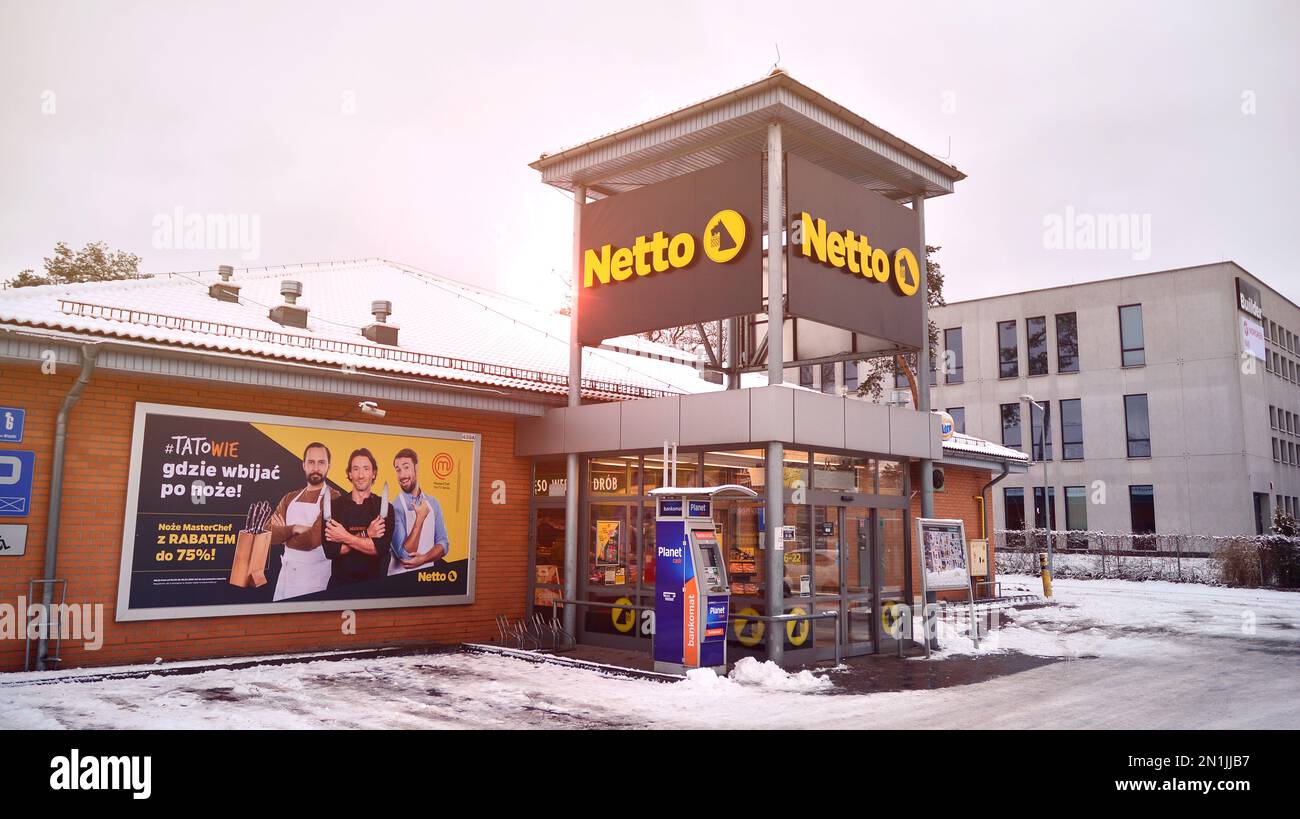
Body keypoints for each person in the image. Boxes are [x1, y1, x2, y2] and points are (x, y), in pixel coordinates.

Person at [267, 442, 340, 601]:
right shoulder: (290, 498)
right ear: (303, 465)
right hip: (285, 575)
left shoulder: (333, 498)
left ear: (328, 466)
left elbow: (313, 539)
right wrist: (294, 529)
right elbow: (266, 533)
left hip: (313, 579)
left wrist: (283, 537)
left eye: (321, 462)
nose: (316, 467)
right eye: (311, 462)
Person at [322, 448, 396, 589]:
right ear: (349, 473)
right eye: (356, 469)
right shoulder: (334, 507)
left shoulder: (385, 508)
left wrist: (343, 536)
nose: (361, 475)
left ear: (373, 473)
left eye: (366, 469)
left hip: (374, 588)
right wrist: (367, 534)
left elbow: (379, 549)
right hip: (339, 588)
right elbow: (331, 551)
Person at [388, 448, 449, 575]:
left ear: (416, 468)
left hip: (428, 579)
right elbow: (405, 556)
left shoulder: (433, 503)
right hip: (400, 582)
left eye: (406, 467)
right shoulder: (394, 507)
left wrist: (424, 559)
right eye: (398, 470)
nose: (402, 475)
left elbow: (443, 543)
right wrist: (420, 518)